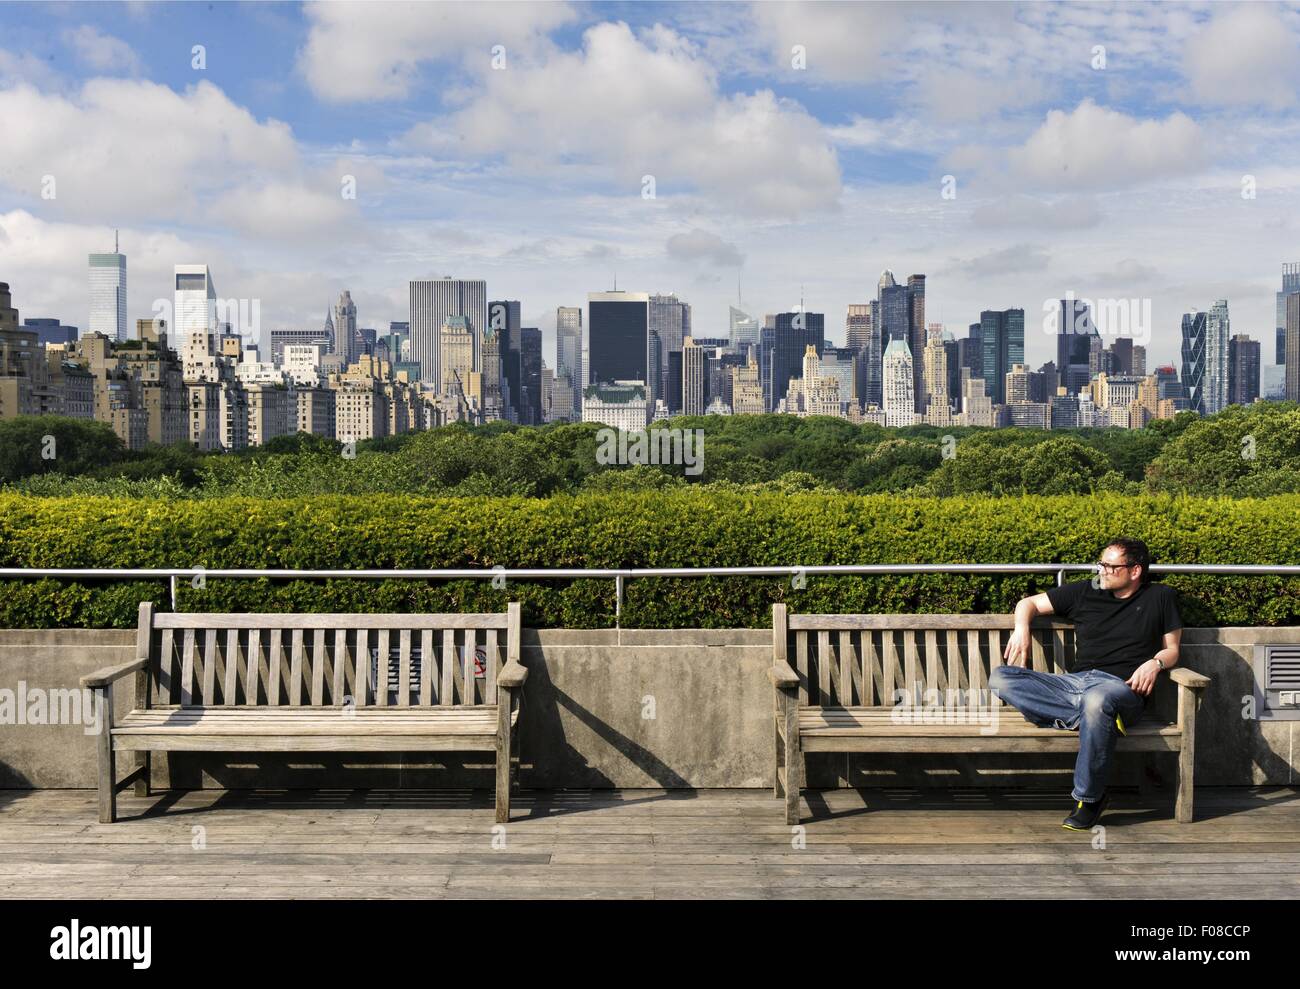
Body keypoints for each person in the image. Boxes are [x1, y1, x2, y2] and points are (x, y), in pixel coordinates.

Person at [988, 537, 1183, 831]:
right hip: (1074, 684)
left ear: (1135, 571)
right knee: (1001, 678)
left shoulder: (1161, 596)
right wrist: (1021, 628)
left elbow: (1173, 650)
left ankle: (1089, 798)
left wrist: (1155, 663)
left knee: (1097, 701)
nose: (1101, 571)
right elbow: (1027, 603)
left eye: (1109, 566)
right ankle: (1093, 719)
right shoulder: (1084, 592)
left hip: (1120, 687)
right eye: (1100, 564)